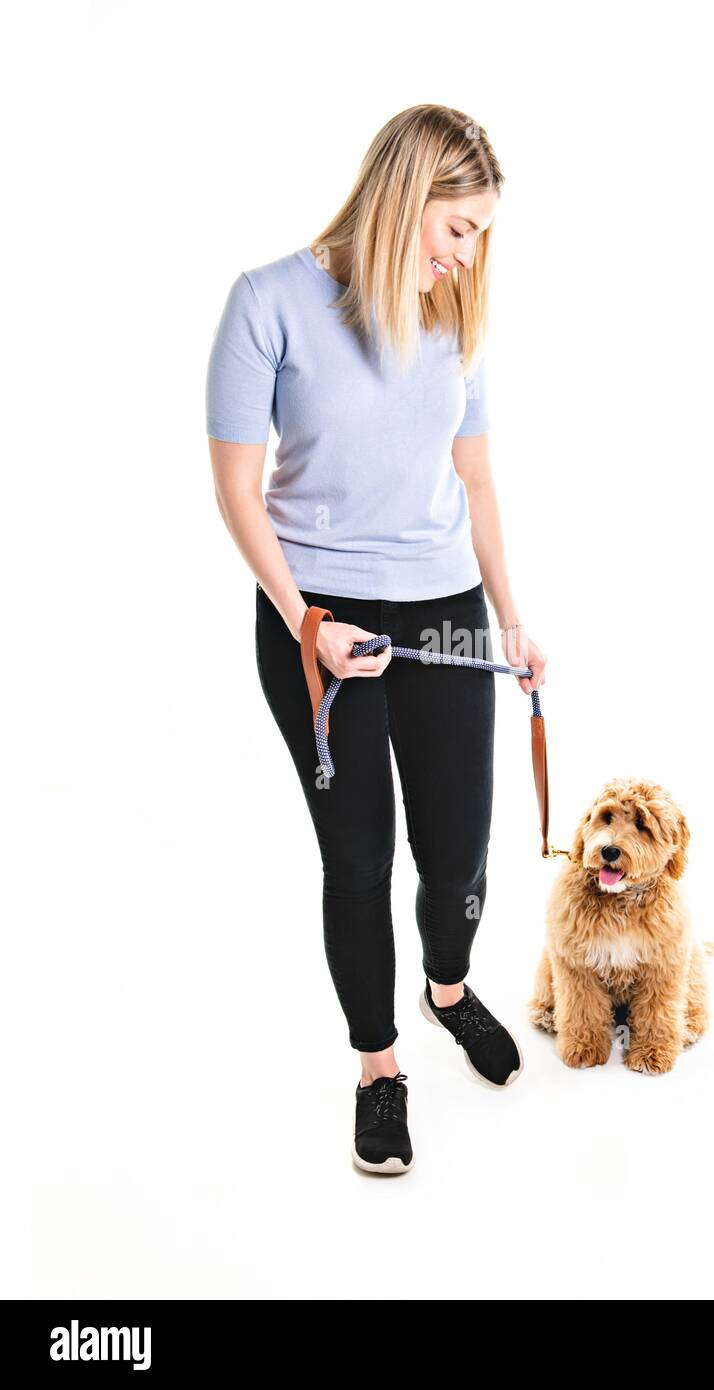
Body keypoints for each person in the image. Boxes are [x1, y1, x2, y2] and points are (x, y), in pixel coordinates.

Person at [205, 104, 546, 1176]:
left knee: (457, 856)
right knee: (356, 859)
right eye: (458, 228)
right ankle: (379, 1068)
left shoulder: (457, 315)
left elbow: (478, 478)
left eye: (483, 232)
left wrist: (515, 616)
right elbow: (236, 488)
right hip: (318, 619)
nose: (468, 254)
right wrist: (306, 617)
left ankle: (447, 988)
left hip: (446, 609)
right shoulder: (268, 302)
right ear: (403, 200)